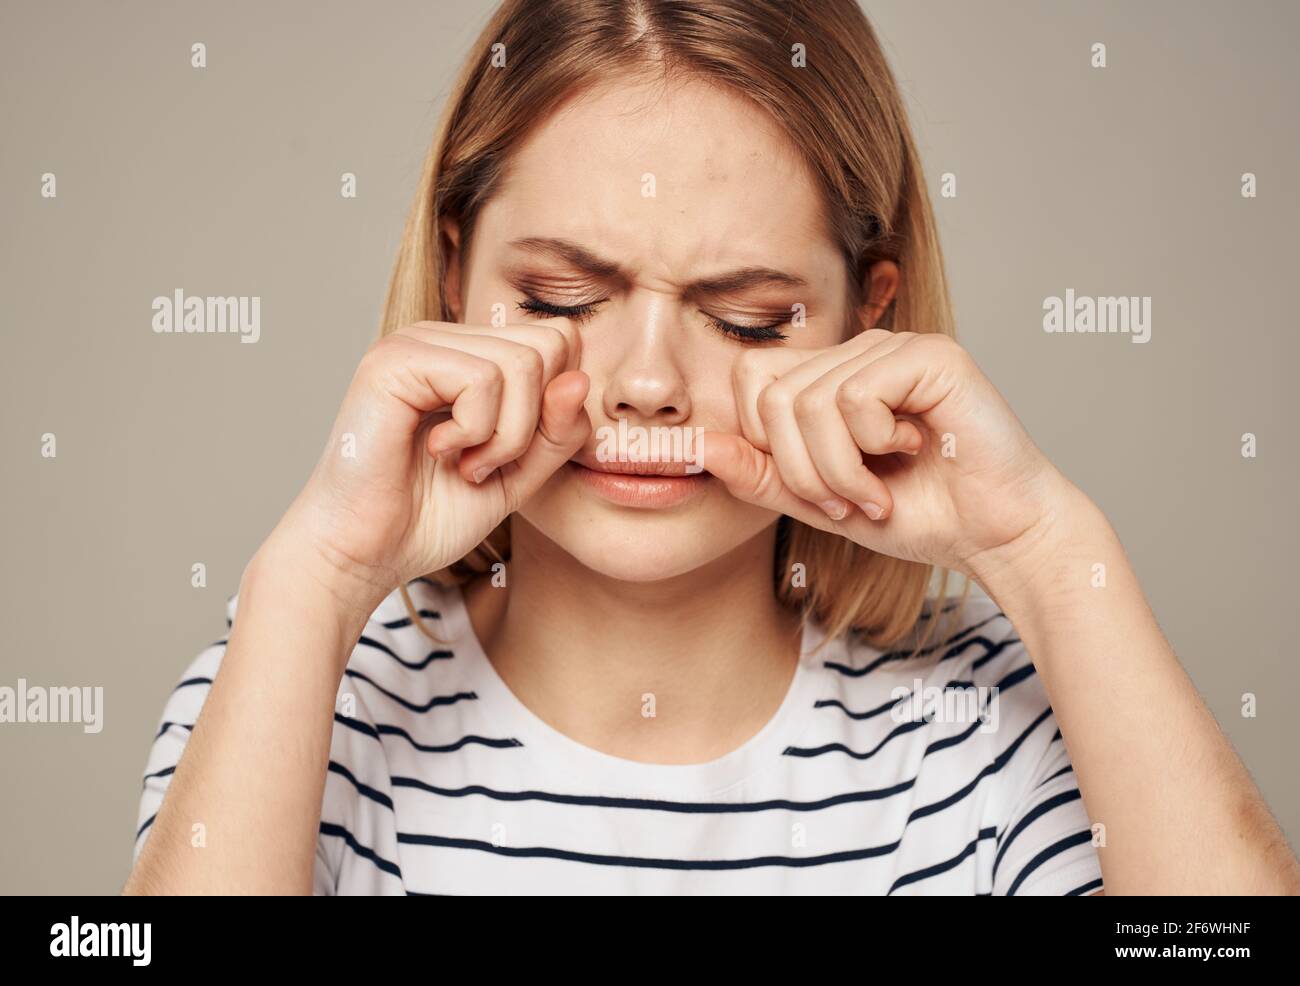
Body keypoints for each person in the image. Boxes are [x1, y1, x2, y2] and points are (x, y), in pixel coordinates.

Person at [124, 0, 1300, 895]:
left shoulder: (987, 722)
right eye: (557, 295)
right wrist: (317, 576)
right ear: (454, 278)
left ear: (866, 318)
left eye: (744, 319)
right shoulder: (299, 679)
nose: (644, 382)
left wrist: (1048, 553)